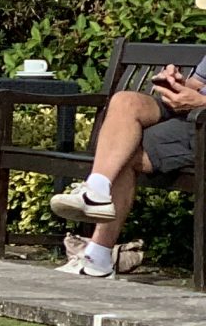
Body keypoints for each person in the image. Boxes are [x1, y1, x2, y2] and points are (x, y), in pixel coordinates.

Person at [49, 48, 206, 277]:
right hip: (191, 113)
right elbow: (196, 84)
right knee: (125, 101)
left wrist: (201, 101)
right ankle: (97, 189)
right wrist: (175, 85)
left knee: (126, 151)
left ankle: (98, 257)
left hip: (201, 119)